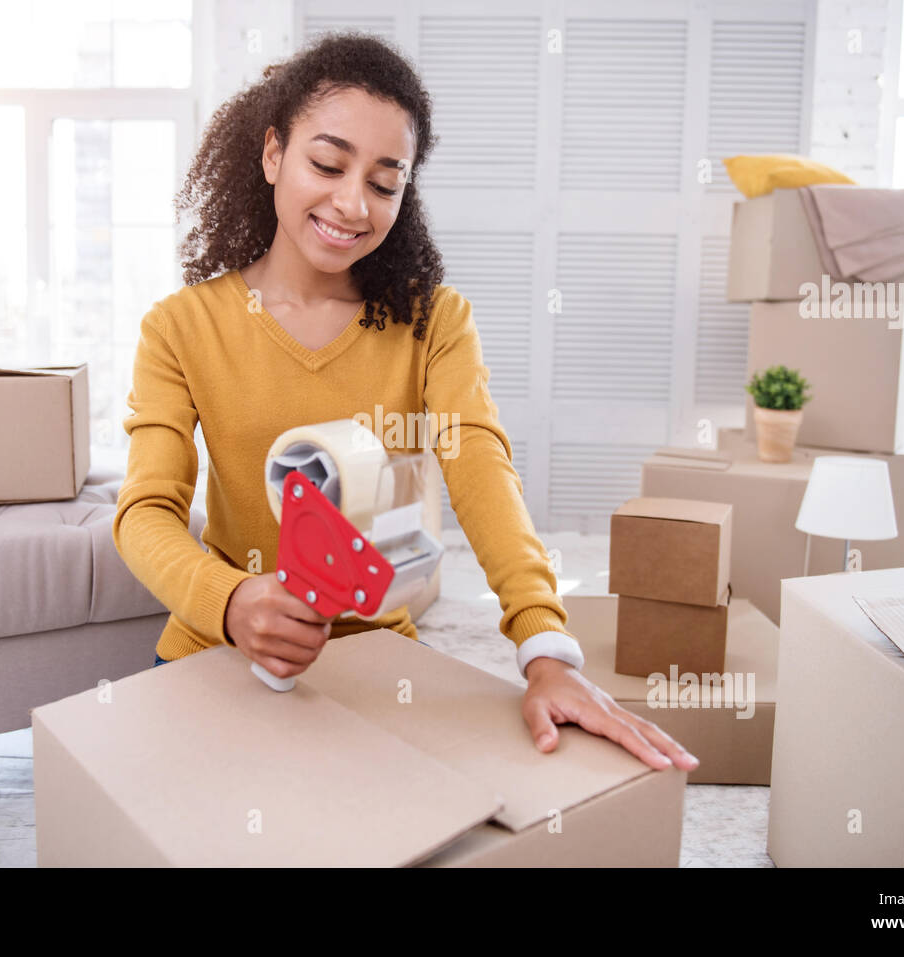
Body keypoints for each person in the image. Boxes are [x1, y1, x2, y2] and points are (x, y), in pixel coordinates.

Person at [113, 31, 698, 772]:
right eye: (327, 163)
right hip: (217, 651)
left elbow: (480, 468)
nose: (352, 202)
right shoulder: (181, 327)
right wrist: (231, 601)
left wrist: (545, 646)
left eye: (386, 183)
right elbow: (144, 512)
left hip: (377, 662)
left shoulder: (434, 323)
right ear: (272, 154)